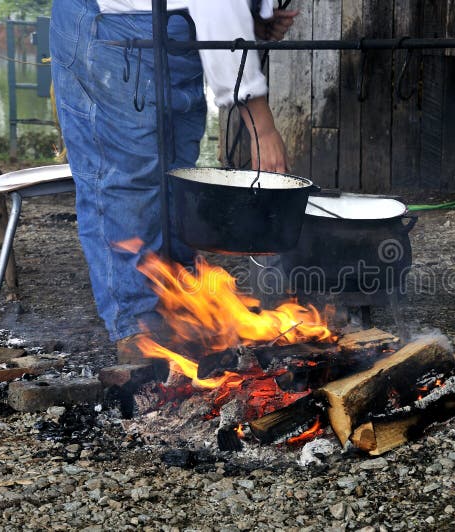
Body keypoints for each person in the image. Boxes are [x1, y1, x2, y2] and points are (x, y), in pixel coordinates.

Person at [50, 0, 297, 362]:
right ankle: (138, 325)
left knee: (176, 176)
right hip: (115, 28)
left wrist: (256, 17)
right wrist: (261, 126)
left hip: (176, 24)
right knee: (127, 181)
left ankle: (180, 307)